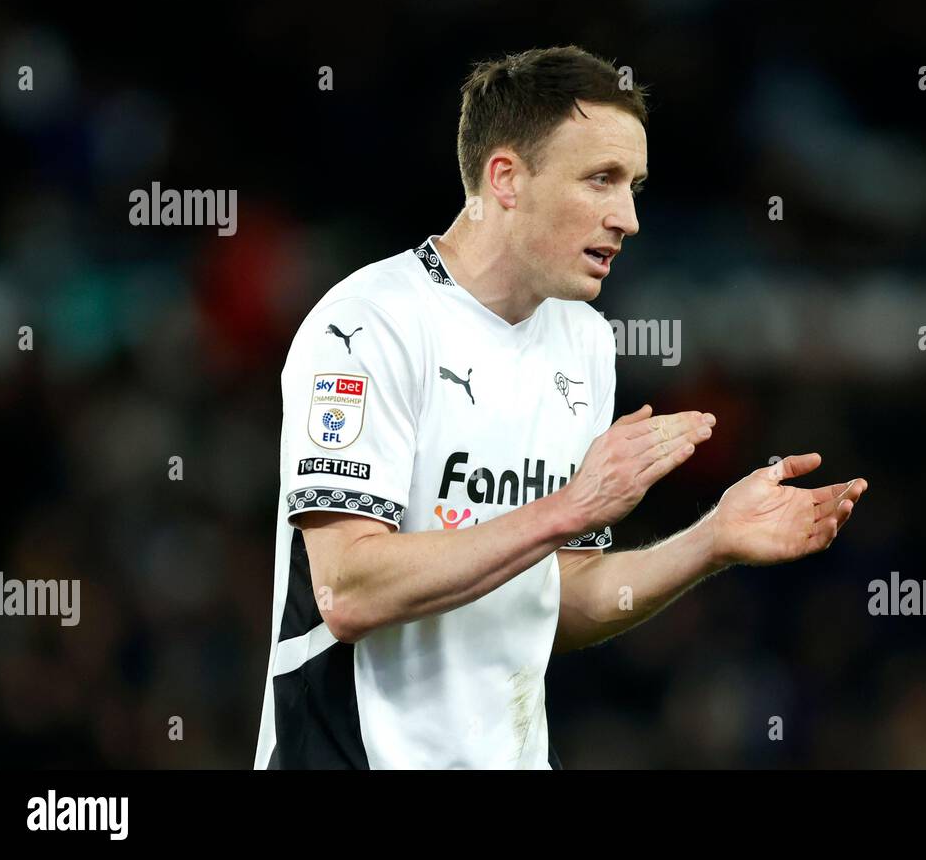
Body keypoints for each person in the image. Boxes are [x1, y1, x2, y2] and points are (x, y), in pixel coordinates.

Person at [253, 45, 867, 769]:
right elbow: (347, 590)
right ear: (506, 178)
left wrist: (711, 540)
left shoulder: (582, 340)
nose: (629, 217)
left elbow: (558, 599)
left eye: (634, 184)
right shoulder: (369, 324)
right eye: (601, 180)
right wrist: (567, 508)